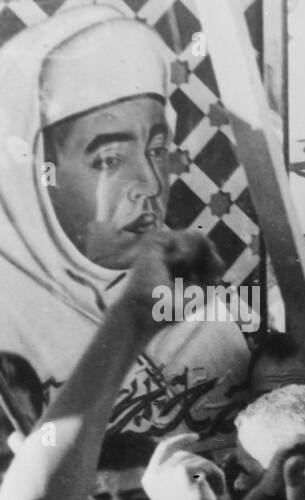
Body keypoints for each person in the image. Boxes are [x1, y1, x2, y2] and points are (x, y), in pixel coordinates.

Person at [0, 6, 249, 437]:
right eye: (109, 160)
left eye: (155, 150)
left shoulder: (180, 277)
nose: (150, 185)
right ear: (36, 177)